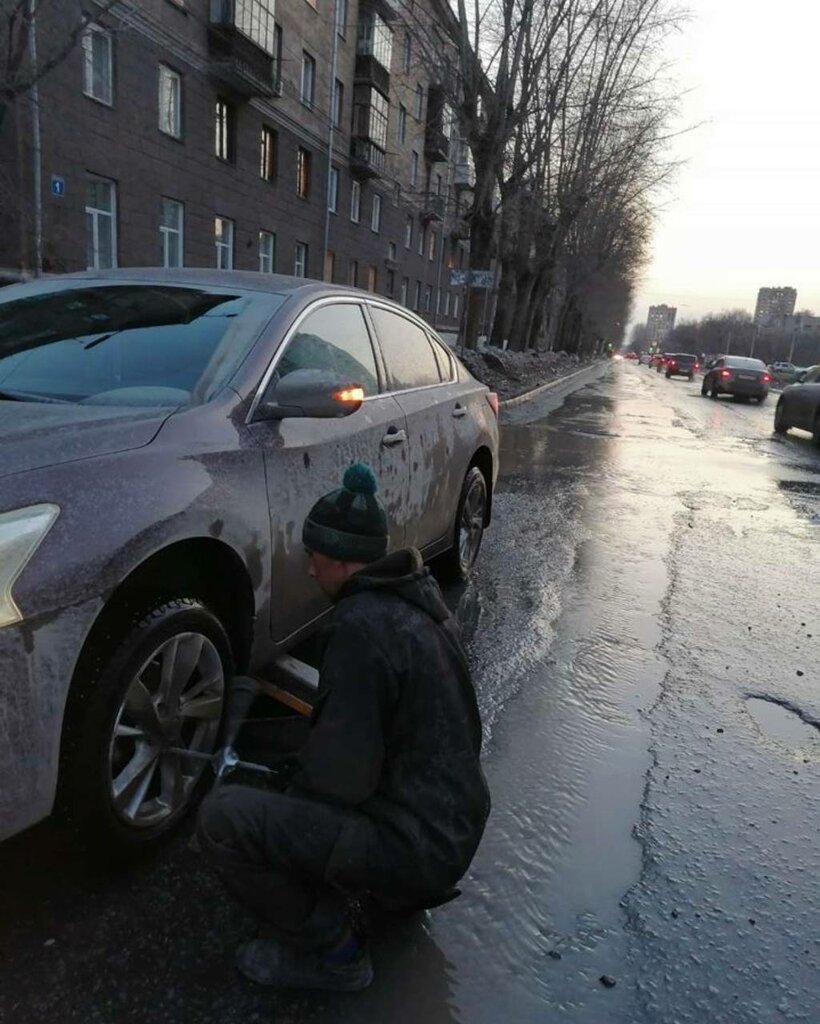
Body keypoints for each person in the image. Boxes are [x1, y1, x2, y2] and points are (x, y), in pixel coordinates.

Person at [198, 462, 491, 992]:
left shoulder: (360, 628)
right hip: (450, 829)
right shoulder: (419, 609)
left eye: (313, 556)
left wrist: (279, 791)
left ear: (337, 558)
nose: (310, 570)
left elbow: (339, 779)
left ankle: (338, 952)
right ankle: (384, 894)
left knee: (224, 818)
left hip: (417, 850)